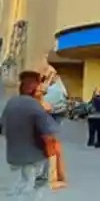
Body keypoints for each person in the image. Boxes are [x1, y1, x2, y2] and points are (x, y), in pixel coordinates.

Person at [2, 70, 59, 200]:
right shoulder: (35, 106)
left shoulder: (11, 103)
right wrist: (52, 155)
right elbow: (47, 134)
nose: (42, 91)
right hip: (35, 156)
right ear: (32, 88)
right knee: (31, 187)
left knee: (22, 183)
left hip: (14, 155)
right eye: (39, 88)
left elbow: (3, 128)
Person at [34, 81, 67, 190]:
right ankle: (47, 174)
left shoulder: (50, 93)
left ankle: (47, 175)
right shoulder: (55, 91)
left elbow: (47, 107)